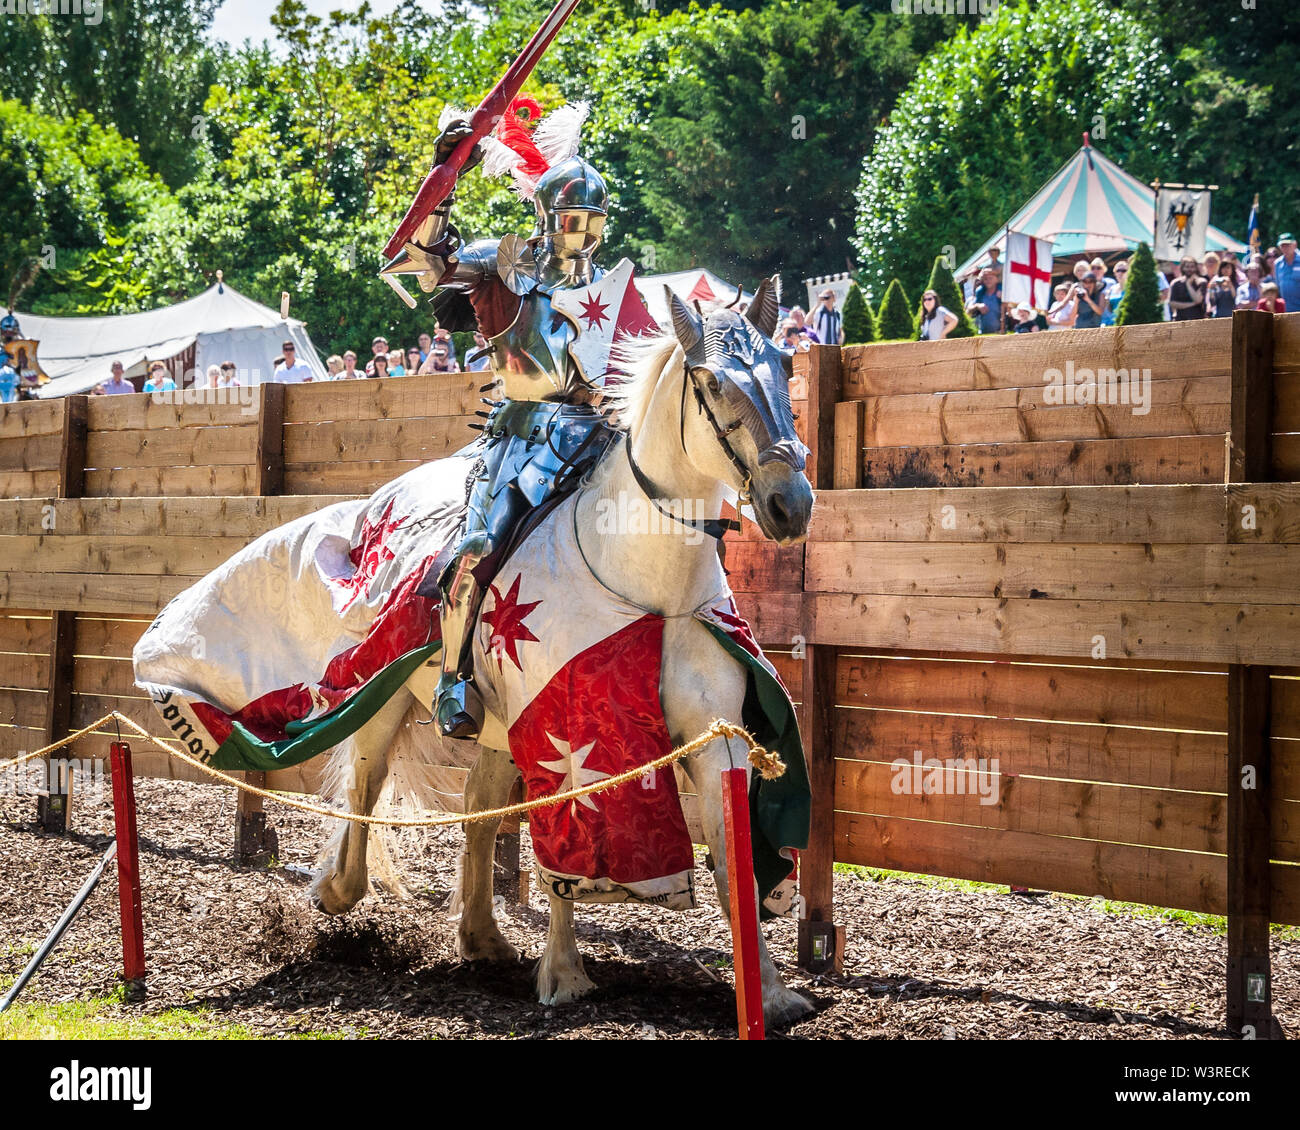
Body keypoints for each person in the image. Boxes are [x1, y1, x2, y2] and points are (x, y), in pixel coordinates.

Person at [378, 102, 656, 739]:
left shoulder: (618, 291)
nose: (581, 232)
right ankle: (454, 673)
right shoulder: (507, 267)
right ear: (546, 216)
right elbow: (424, 266)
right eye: (570, 219)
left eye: (592, 221)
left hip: (601, 437)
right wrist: (446, 171)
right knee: (479, 547)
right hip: (524, 440)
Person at [1168, 256, 1208, 320]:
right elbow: (1172, 303)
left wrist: (1188, 284)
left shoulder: (1201, 282)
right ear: (1182, 268)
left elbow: (1197, 300)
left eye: (1192, 267)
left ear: (1196, 268)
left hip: (1198, 319)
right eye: (1187, 267)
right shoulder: (1176, 283)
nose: (1190, 269)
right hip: (1181, 320)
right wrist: (1192, 304)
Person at [966, 267, 1002, 334]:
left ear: (996, 279)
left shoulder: (1001, 291)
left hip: (1000, 332)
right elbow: (968, 310)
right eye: (985, 279)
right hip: (984, 333)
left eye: (990, 278)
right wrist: (977, 306)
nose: (988, 281)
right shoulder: (980, 292)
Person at [1274, 234, 1300, 311]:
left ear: (1295, 244)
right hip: (1286, 310)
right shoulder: (1278, 263)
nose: (1285, 248)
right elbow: (1278, 286)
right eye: (1283, 245)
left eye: (1288, 245)